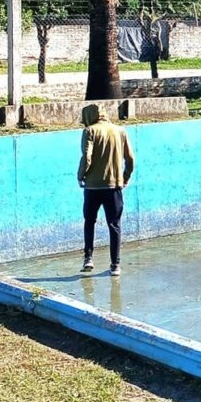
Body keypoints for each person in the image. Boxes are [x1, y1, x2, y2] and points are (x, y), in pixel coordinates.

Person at [77, 104, 136, 276]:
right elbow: (130, 159)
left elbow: (87, 157)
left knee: (89, 222)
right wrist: (125, 177)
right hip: (114, 186)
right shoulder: (120, 131)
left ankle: (88, 259)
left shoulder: (89, 131)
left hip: (93, 187)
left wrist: (81, 175)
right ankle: (115, 265)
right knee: (114, 225)